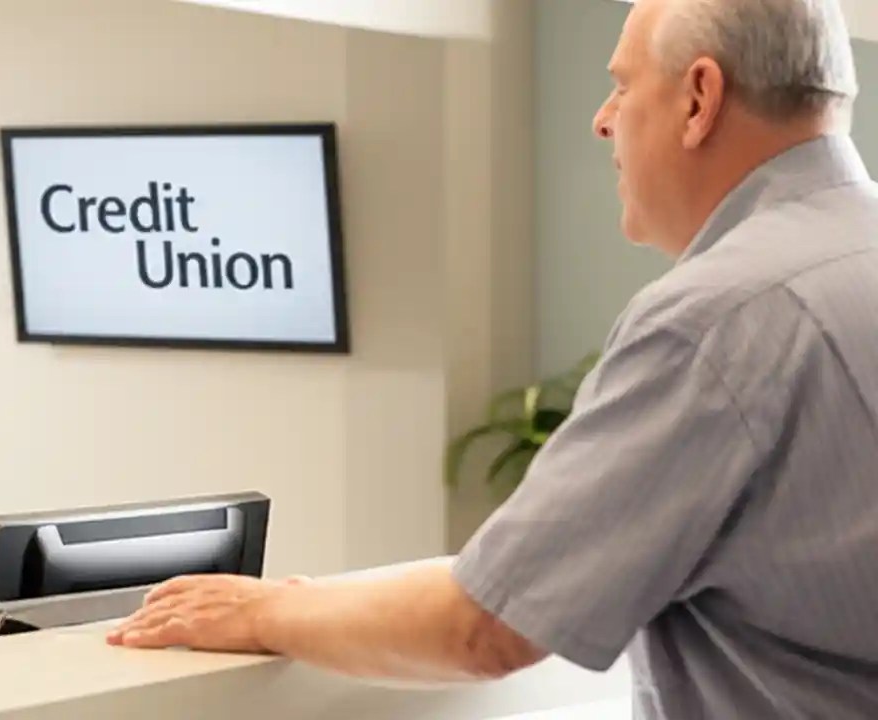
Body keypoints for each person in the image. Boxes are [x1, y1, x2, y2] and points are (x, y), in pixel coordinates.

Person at [109, 0, 878, 716]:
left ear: (699, 99)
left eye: (622, 86)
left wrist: (265, 612)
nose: (602, 120)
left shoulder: (715, 323)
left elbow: (484, 626)